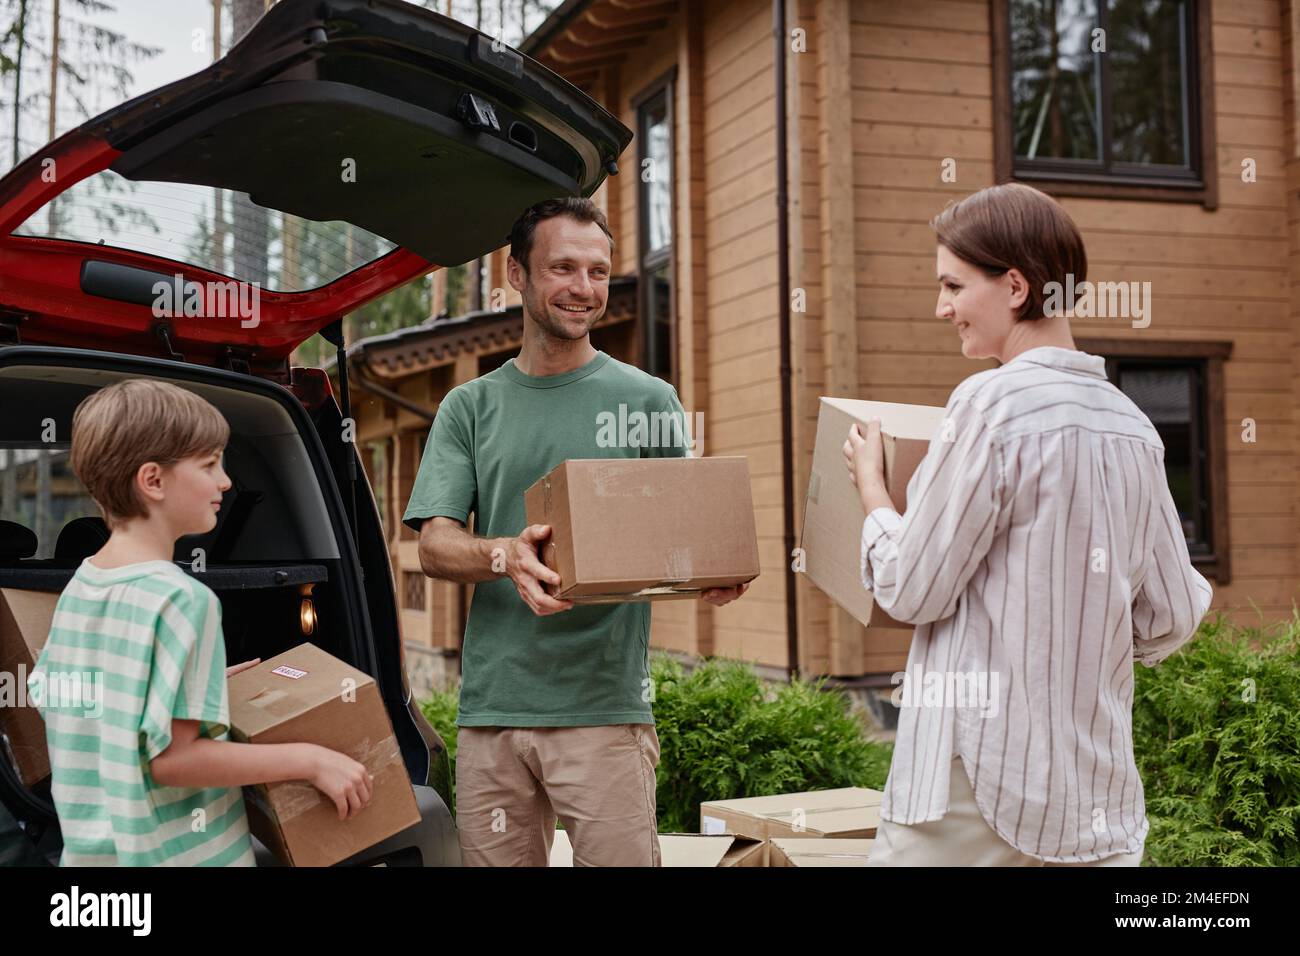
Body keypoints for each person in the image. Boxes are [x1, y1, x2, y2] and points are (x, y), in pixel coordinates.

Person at [843, 183, 1213, 866]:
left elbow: (912, 589)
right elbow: (1170, 612)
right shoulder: (1133, 426)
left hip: (971, 783)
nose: (942, 307)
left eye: (953, 285)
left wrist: (873, 491)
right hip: (1091, 789)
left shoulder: (988, 405)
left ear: (1014, 286)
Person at [404, 197, 747, 867]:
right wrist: (502, 554)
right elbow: (434, 544)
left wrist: (707, 573)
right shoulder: (470, 407)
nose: (584, 289)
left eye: (598, 271)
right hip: (494, 711)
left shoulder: (648, 401)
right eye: (563, 268)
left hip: (603, 706)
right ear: (517, 274)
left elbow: (683, 535)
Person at [29, 379, 372, 866]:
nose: (226, 482)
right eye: (209, 464)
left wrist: (194, 687)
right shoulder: (183, 600)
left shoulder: (80, 589)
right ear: (153, 481)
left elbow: (72, 702)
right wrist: (311, 760)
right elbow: (174, 760)